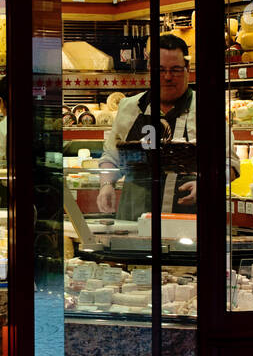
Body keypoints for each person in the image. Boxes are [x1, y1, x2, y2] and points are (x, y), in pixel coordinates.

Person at [97, 33, 234, 219]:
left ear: (187, 68)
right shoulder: (130, 107)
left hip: (190, 224)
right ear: (149, 68)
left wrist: (208, 183)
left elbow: (230, 164)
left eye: (175, 69)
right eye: (160, 70)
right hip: (134, 219)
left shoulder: (207, 110)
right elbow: (111, 158)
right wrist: (106, 185)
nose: (168, 77)